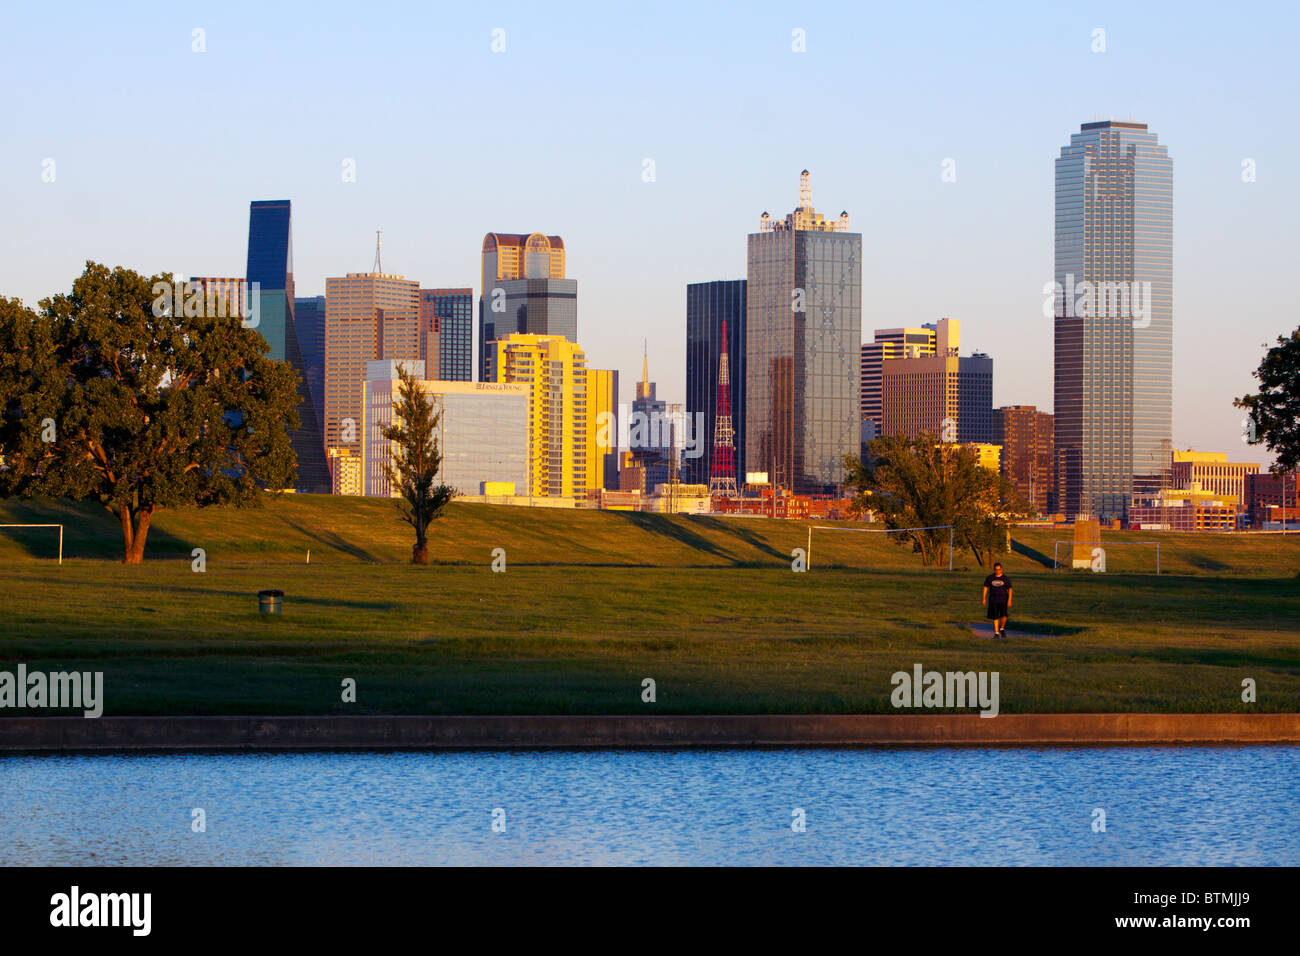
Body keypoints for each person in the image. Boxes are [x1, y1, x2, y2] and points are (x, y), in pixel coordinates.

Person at [982, 563, 1013, 639]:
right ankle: (996, 633)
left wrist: (1009, 600)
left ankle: (1002, 628)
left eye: (999, 569)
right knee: (995, 616)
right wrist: (984, 598)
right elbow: (985, 587)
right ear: (994, 569)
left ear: (1001, 569)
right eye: (996, 569)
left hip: (1003, 600)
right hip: (993, 600)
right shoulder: (990, 578)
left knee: (1004, 616)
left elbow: (1010, 589)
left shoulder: (1005, 578)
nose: (997, 571)